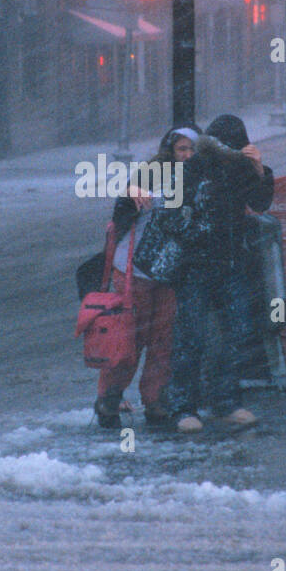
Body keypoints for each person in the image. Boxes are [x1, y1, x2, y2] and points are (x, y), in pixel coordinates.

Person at [167, 114, 275, 433]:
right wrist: (198, 233)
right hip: (196, 267)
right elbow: (173, 216)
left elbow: (260, 203)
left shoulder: (240, 170)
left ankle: (222, 400)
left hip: (229, 264)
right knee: (193, 337)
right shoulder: (195, 170)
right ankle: (185, 405)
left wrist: (259, 170)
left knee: (234, 333)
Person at [93, 126, 198, 429]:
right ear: (170, 151)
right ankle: (109, 399)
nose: (187, 156)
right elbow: (120, 210)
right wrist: (130, 193)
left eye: (192, 150)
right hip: (134, 270)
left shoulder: (198, 180)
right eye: (182, 149)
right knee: (129, 337)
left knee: (164, 339)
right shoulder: (150, 174)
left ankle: (156, 400)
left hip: (170, 272)